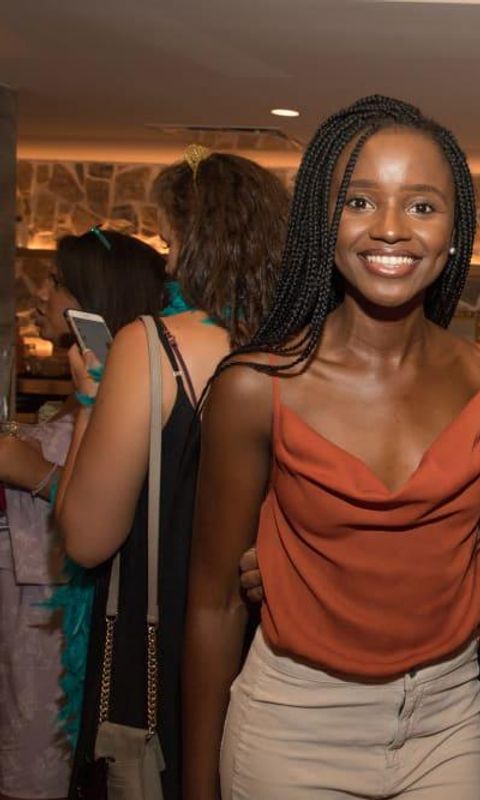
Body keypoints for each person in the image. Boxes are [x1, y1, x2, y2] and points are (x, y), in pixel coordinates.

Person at [183, 95, 480, 800]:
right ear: (322, 226)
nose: (391, 229)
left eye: (422, 206)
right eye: (359, 200)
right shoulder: (255, 386)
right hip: (295, 725)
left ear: (455, 235)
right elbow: (211, 605)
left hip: (446, 722)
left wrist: (343, 568)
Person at [55, 152, 289, 798]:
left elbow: (85, 536)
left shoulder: (151, 346)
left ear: (199, 241)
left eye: (172, 238)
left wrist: (85, 405)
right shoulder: (301, 351)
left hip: (159, 652)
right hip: (271, 656)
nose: (169, 256)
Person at [1, 228, 166, 800]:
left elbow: (108, 513)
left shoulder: (121, 406)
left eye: (56, 283)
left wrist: (34, 473)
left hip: (59, 643)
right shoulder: (82, 398)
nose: (41, 295)